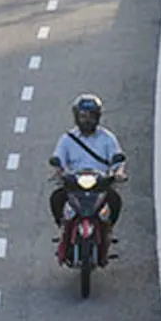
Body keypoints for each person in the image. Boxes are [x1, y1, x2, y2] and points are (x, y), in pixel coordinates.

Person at [48, 94, 124, 232]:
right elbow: (58, 159)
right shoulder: (67, 139)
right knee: (57, 198)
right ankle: (63, 229)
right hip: (74, 183)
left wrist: (118, 173)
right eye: (83, 116)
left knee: (114, 200)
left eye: (91, 116)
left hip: (100, 183)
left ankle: (108, 230)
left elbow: (118, 159)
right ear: (77, 117)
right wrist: (59, 171)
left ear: (97, 117)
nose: (87, 120)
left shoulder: (108, 138)